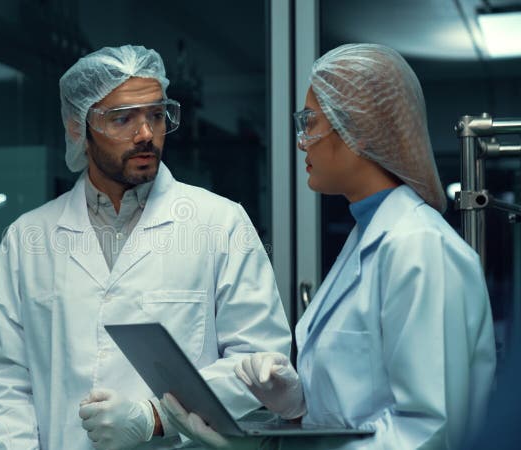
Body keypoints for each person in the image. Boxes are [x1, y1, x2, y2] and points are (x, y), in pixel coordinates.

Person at [160, 43, 497, 449]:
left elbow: (430, 432)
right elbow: (361, 401)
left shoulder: (419, 248)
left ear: (359, 131)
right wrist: (296, 405)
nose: (302, 142)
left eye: (310, 123)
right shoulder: (368, 237)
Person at [0, 45, 292, 450]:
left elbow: (260, 366)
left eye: (156, 116)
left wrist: (155, 416)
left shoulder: (220, 223)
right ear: (77, 129)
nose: (145, 134)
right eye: (122, 118)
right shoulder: (28, 237)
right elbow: (4, 377)